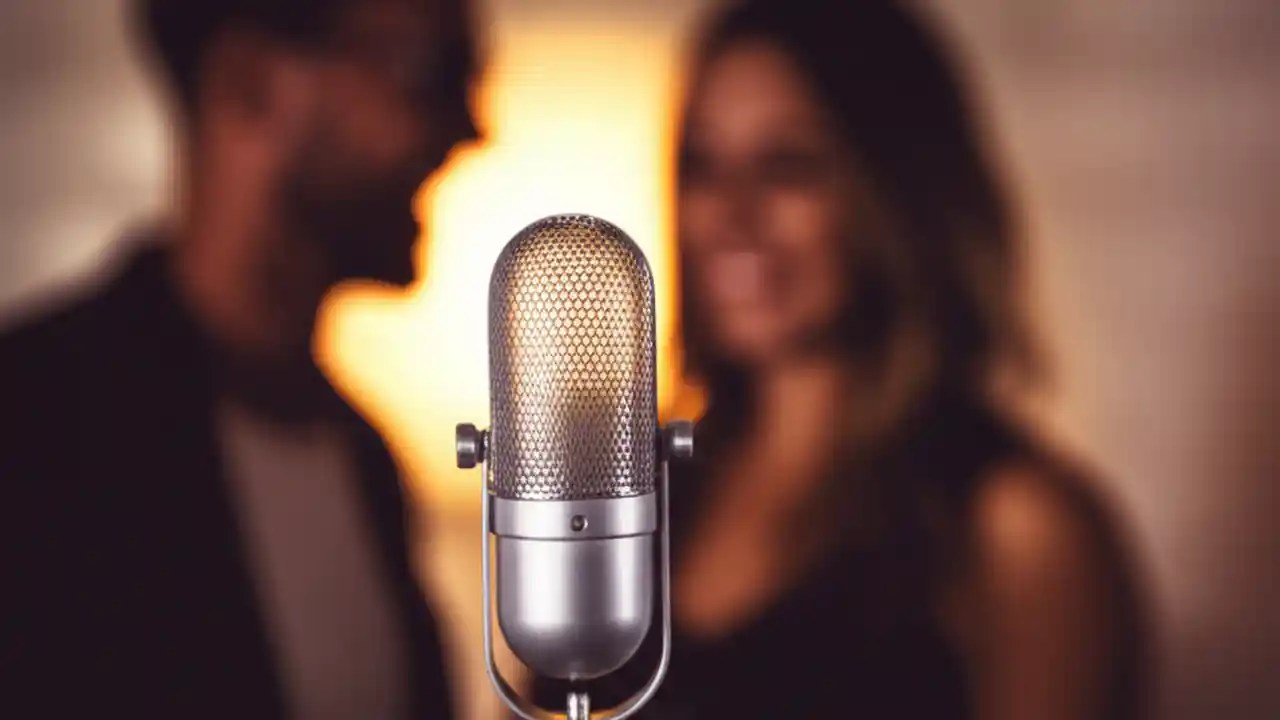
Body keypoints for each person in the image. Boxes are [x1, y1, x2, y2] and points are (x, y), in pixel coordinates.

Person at [538, 1, 1146, 718]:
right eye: (703, 166)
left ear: (895, 192)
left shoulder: (1013, 528)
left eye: (787, 167)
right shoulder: (633, 490)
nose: (730, 215)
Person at [0, 0, 478, 717]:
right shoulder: (32, 422)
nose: (472, 129)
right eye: (427, 71)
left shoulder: (363, 459)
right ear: (250, 79)